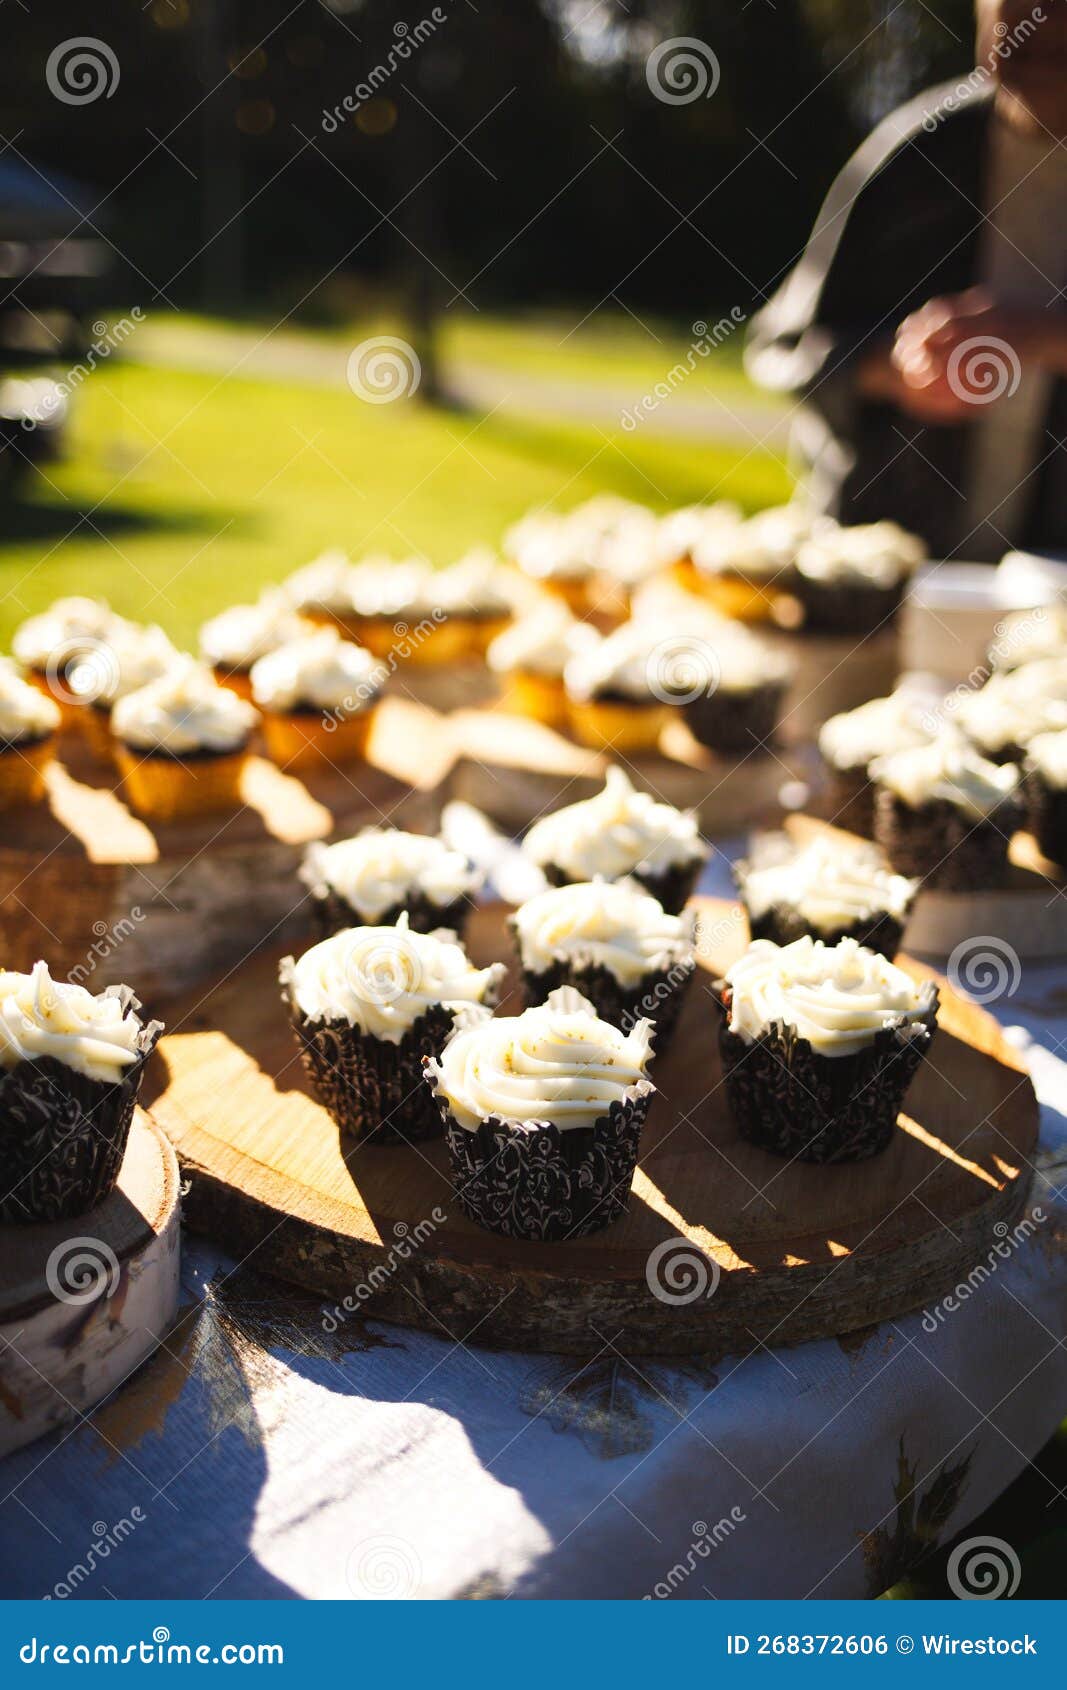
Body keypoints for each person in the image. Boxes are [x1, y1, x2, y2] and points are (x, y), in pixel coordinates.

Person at [745, 0, 1067, 561]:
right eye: (1018, 7)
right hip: (885, 573)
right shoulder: (917, 153)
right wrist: (893, 371)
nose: (1043, 23)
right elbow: (786, 345)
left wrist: (1041, 335)